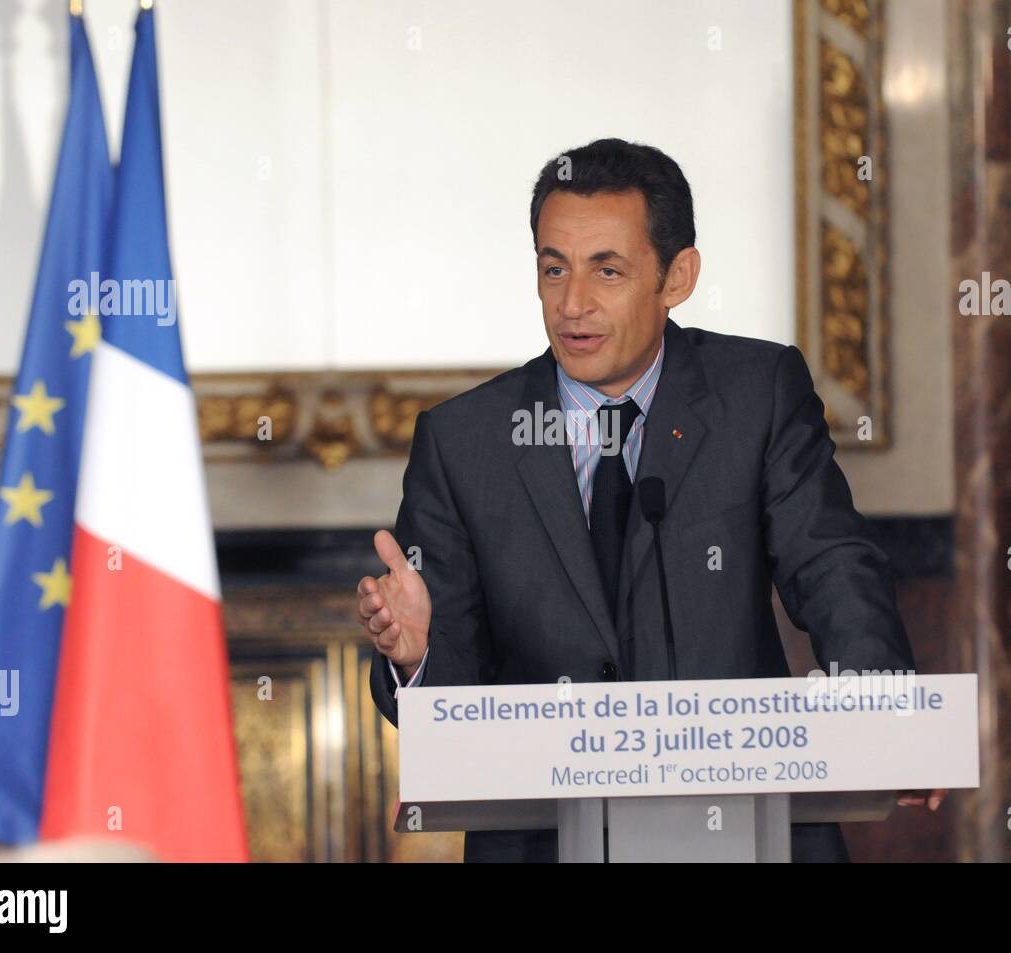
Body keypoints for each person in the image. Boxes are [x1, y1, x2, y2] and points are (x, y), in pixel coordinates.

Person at [358, 138, 943, 862]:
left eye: (608, 271)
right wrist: (415, 657)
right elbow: (448, 698)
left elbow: (832, 565)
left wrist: (884, 709)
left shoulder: (755, 392)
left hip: (745, 825)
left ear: (677, 276)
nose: (573, 304)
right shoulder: (463, 441)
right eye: (554, 269)